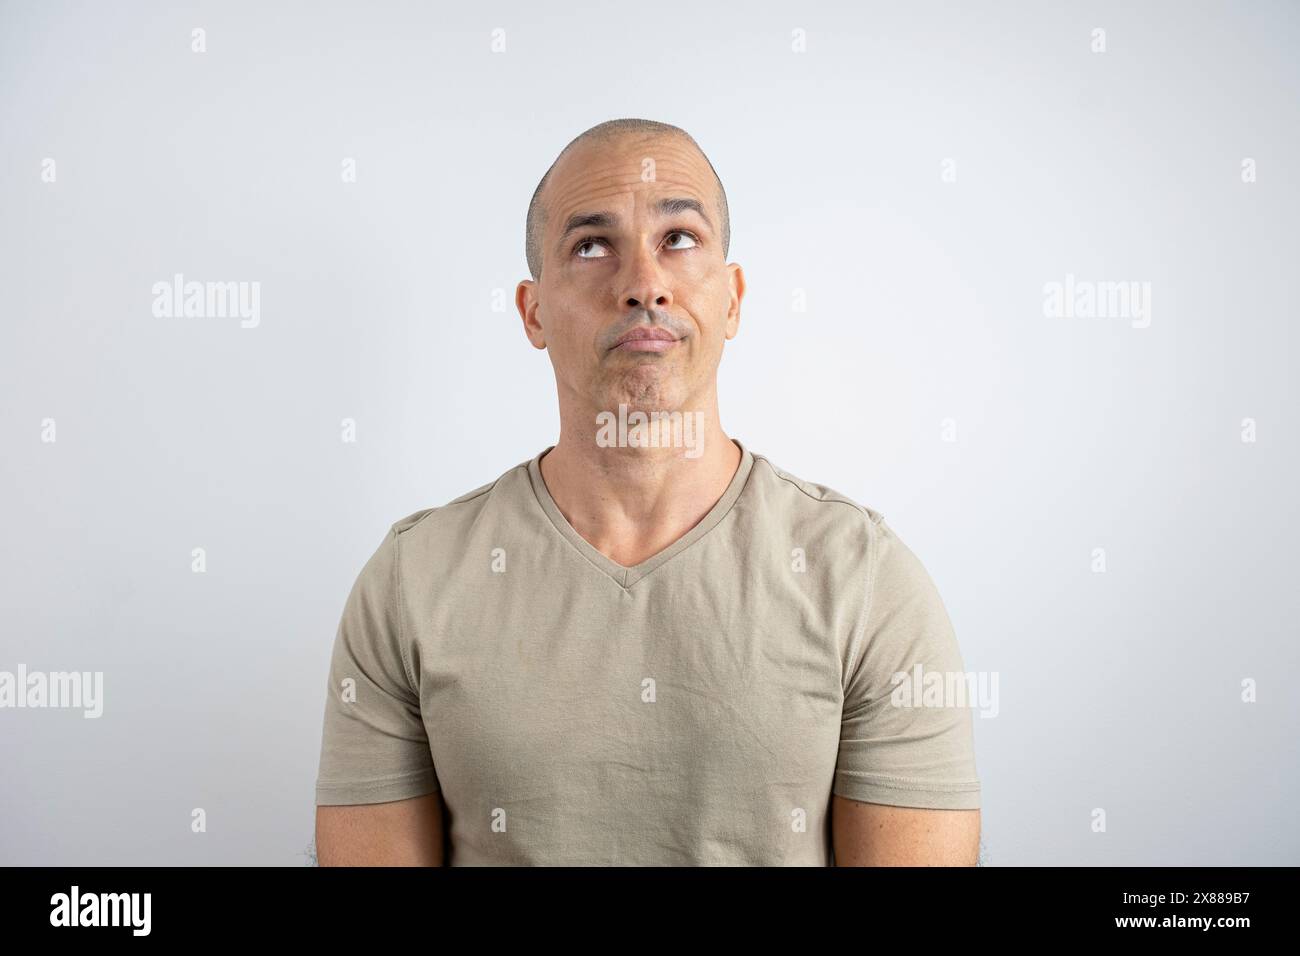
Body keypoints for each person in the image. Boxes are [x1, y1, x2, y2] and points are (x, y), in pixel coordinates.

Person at [313, 118, 981, 865]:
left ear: (732, 299)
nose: (642, 285)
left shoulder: (864, 580)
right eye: (592, 246)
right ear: (533, 312)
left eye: (679, 239)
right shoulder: (412, 581)